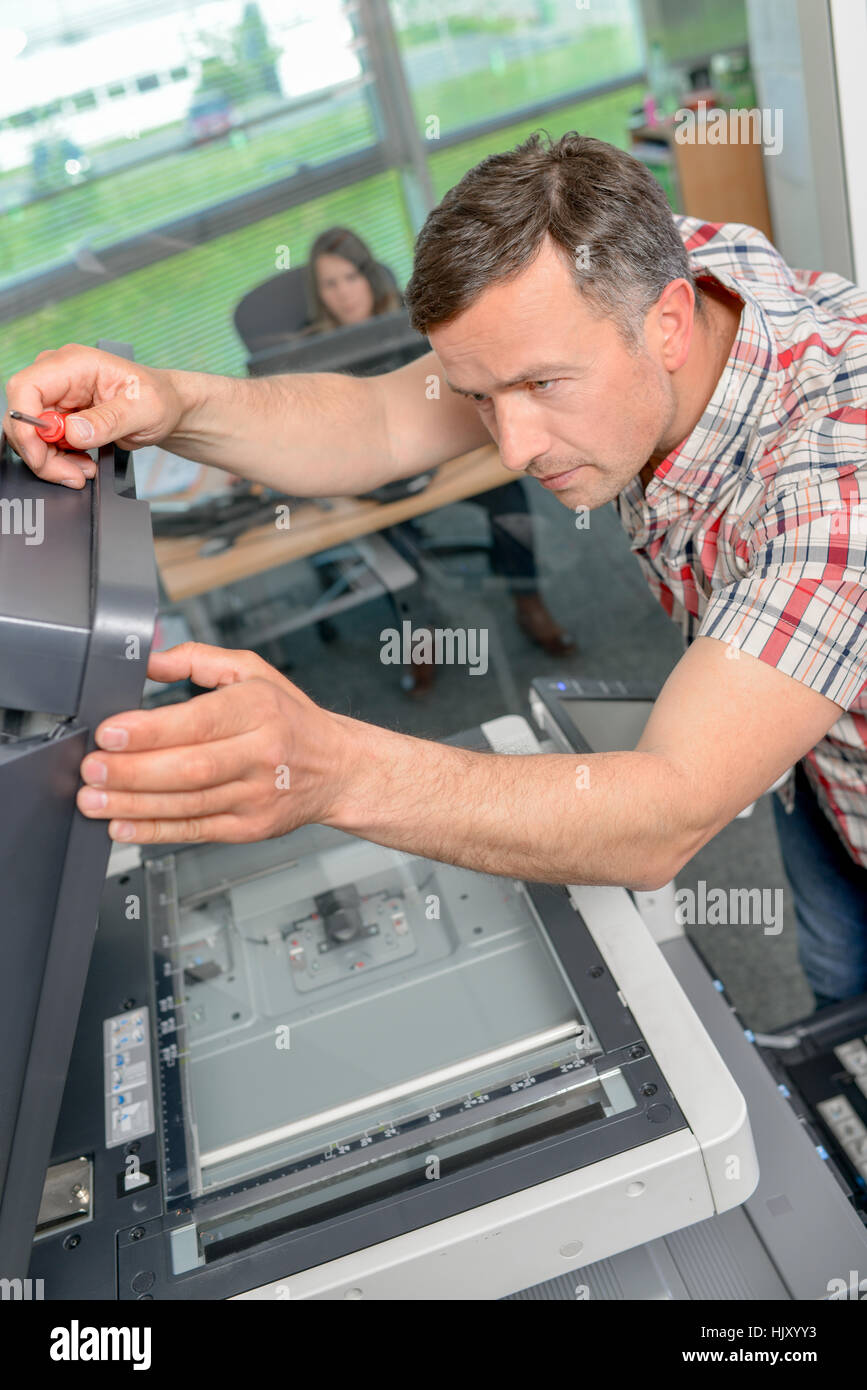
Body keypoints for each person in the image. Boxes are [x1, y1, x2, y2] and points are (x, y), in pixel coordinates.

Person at [6, 131, 867, 1013]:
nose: (513, 448)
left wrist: (331, 769)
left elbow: (662, 813)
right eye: (482, 398)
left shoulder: (837, 489)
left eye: (542, 386)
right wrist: (175, 401)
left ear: (670, 325)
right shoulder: (634, 264)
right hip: (813, 766)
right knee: (839, 989)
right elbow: (384, 420)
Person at [303, 225, 576, 662]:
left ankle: (529, 601)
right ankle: (418, 632)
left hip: (443, 454)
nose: (343, 293)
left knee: (509, 498)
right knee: (388, 533)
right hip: (378, 474)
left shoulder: (415, 319)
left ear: (370, 276)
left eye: (351, 277)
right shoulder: (313, 351)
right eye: (330, 284)